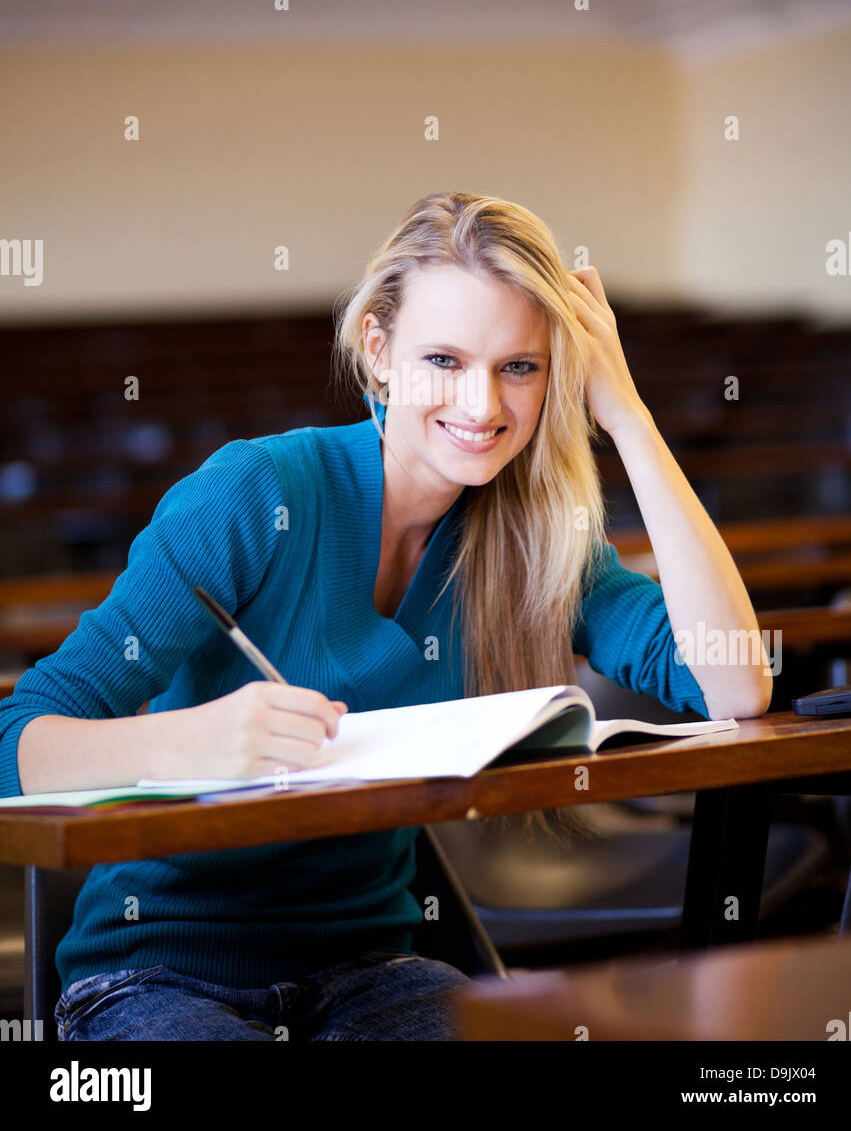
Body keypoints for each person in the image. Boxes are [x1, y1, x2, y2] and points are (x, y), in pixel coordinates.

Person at [0, 191, 772, 1041]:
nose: (481, 407)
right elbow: (16, 741)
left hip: (370, 975)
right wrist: (187, 743)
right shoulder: (256, 493)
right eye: (443, 360)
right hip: (156, 975)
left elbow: (732, 682)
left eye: (521, 366)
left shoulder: (531, 542)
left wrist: (627, 415)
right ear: (378, 352)